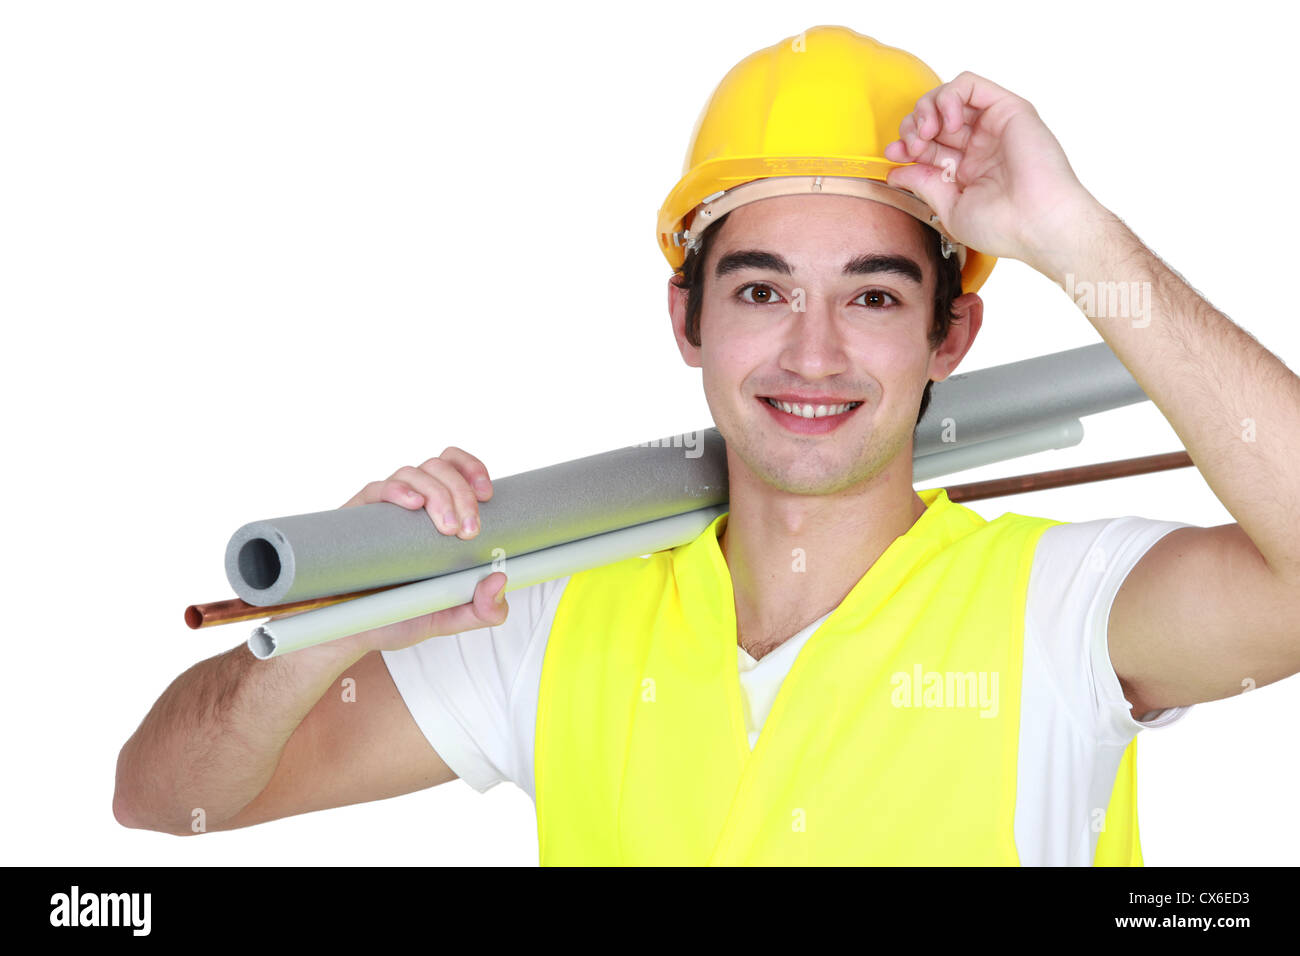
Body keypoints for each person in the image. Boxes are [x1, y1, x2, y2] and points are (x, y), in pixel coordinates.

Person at [114, 26, 1300, 864]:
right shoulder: (545, 618)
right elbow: (167, 802)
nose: (814, 353)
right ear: (687, 321)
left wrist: (1069, 230)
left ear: (953, 334)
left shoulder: (1066, 612)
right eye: (761, 291)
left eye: (875, 297)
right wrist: (337, 629)